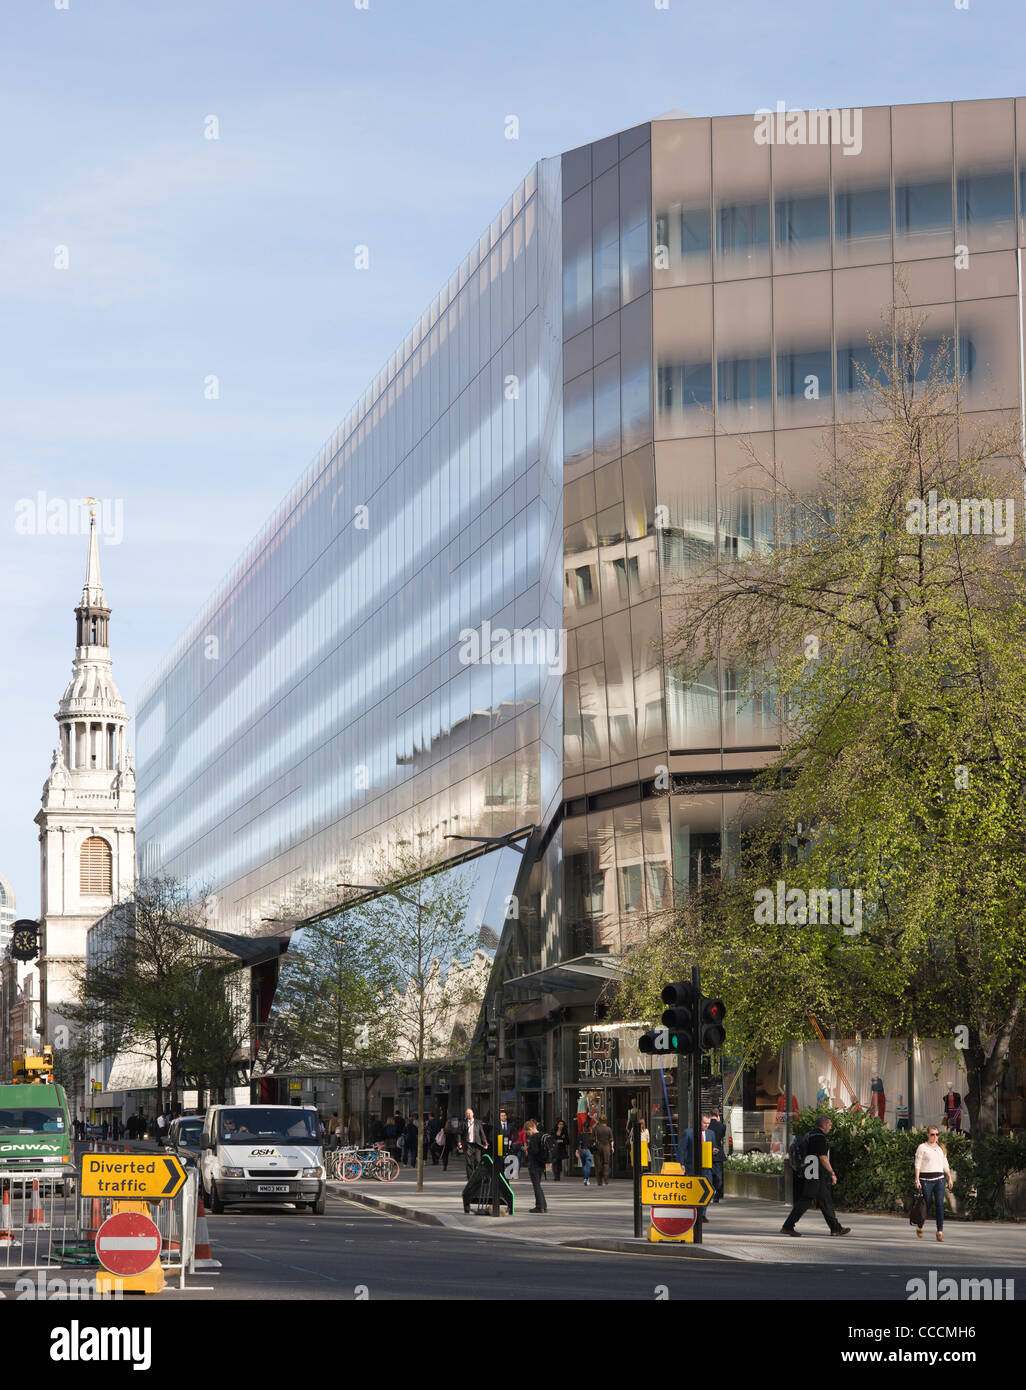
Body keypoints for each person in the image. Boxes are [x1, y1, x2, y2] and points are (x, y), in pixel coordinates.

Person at [780, 1115, 851, 1237]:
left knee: (825, 1199)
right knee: (806, 1200)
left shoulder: (810, 1135)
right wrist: (832, 1173)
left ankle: (835, 1228)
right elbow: (823, 1158)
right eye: (829, 1125)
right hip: (814, 1172)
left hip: (810, 1170)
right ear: (823, 1125)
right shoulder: (819, 1137)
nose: (830, 1127)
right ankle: (788, 1226)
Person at [914, 1125, 955, 1243]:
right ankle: (920, 1226)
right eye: (932, 1134)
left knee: (940, 1205)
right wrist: (917, 1179)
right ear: (928, 1135)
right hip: (925, 1180)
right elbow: (917, 1164)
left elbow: (945, 1164)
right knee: (927, 1204)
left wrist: (949, 1178)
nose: (935, 1137)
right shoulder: (922, 1147)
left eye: (937, 1134)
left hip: (939, 1179)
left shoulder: (940, 1148)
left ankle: (939, 1232)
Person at [524, 1119, 548, 1213]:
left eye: (527, 1131)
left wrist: (527, 1149)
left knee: (536, 1185)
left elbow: (534, 1151)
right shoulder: (542, 1135)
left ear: (530, 1128)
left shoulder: (534, 1137)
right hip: (541, 1164)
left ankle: (539, 1206)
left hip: (534, 1164)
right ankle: (543, 1205)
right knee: (538, 1184)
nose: (527, 1134)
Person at [459, 1108, 487, 1176]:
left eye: (470, 1113)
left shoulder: (478, 1122)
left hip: (476, 1144)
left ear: (473, 1114)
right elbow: (459, 1133)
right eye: (467, 1114)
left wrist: (485, 1142)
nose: (468, 1115)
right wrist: (459, 1142)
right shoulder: (463, 1123)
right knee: (469, 1162)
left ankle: (477, 1175)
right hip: (467, 1144)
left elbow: (481, 1133)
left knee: (477, 1161)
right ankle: (470, 1176)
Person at [592, 1113, 614, 1186]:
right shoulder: (608, 1129)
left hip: (598, 1147)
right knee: (606, 1163)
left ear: (599, 1120)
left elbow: (593, 1139)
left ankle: (599, 1181)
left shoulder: (595, 1128)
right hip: (606, 1147)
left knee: (598, 1164)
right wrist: (612, 1147)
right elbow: (611, 1140)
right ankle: (606, 1178)